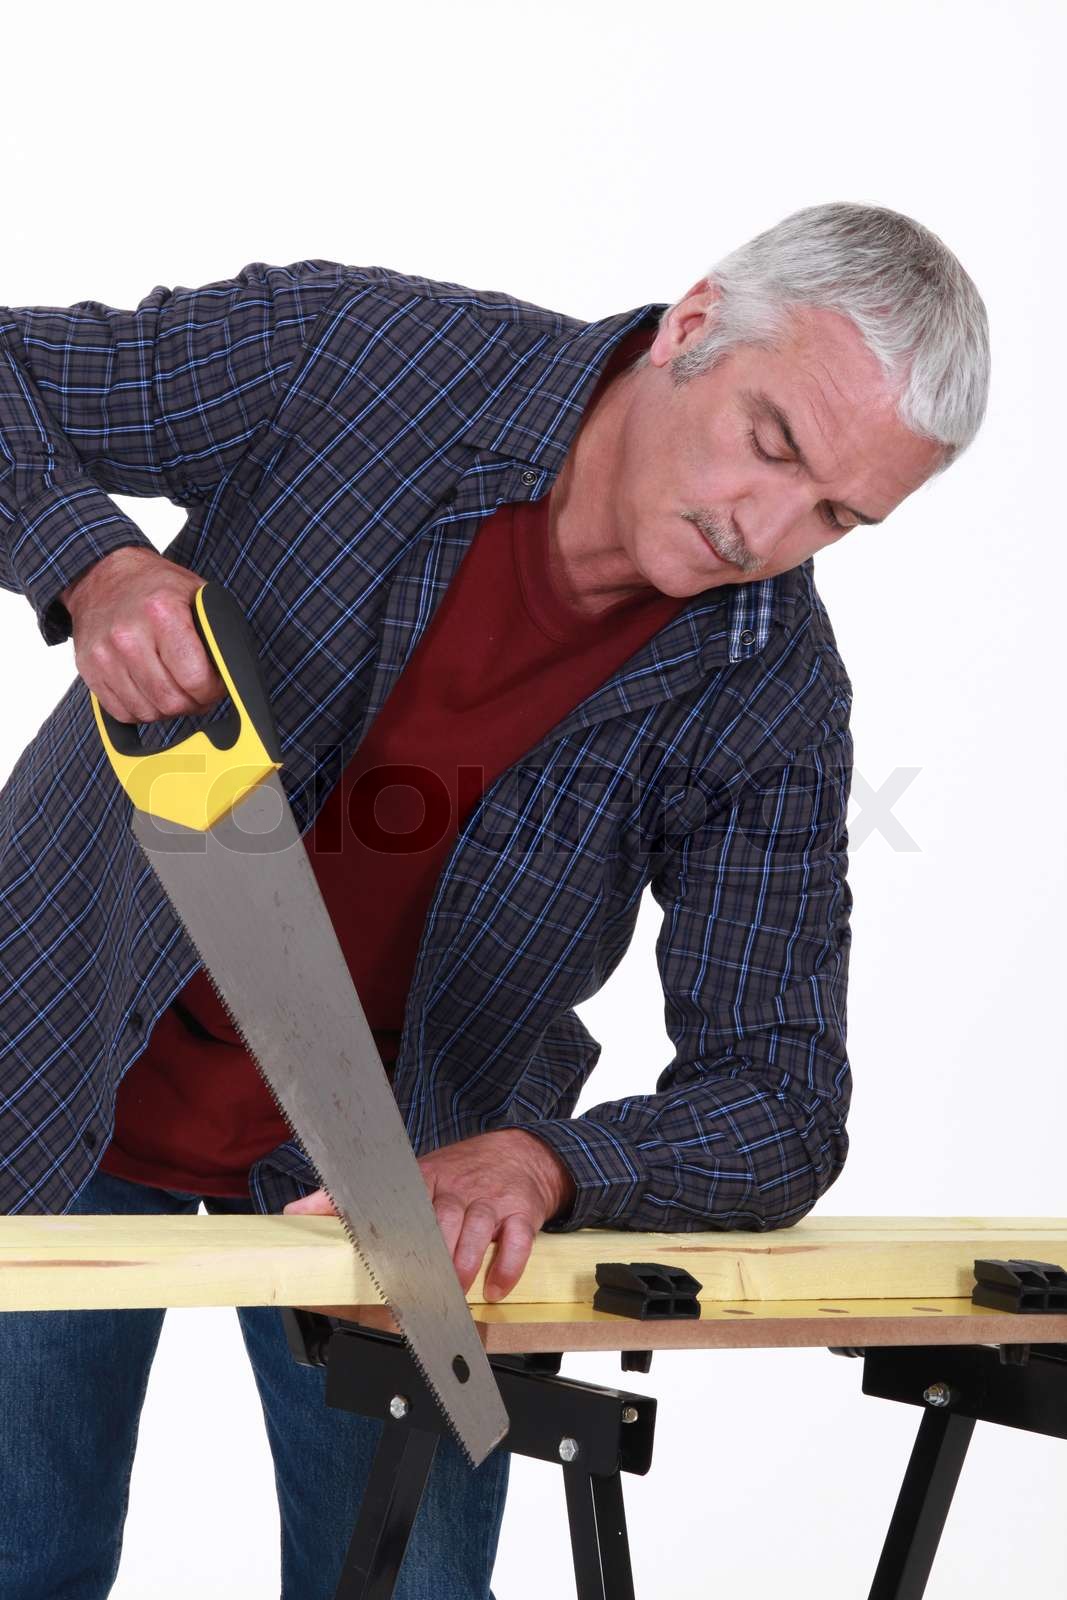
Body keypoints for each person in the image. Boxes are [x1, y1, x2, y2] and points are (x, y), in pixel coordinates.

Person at [0, 202, 989, 1598]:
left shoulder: (772, 693)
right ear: (694, 327)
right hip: (48, 1075)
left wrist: (553, 1166)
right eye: (774, 444)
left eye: (837, 513)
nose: (763, 528)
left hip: (405, 1194)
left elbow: (779, 1095)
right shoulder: (359, 355)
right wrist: (88, 561)